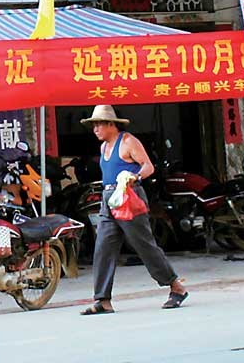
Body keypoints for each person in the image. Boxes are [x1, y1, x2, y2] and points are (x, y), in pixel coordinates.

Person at [79, 105, 188, 315]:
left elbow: (148, 166)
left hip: (129, 196)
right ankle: (103, 300)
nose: (95, 129)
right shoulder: (103, 147)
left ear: (111, 124)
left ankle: (176, 287)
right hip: (109, 199)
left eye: (99, 124)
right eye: (93, 125)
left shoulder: (128, 142)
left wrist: (135, 177)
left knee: (144, 245)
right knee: (103, 248)